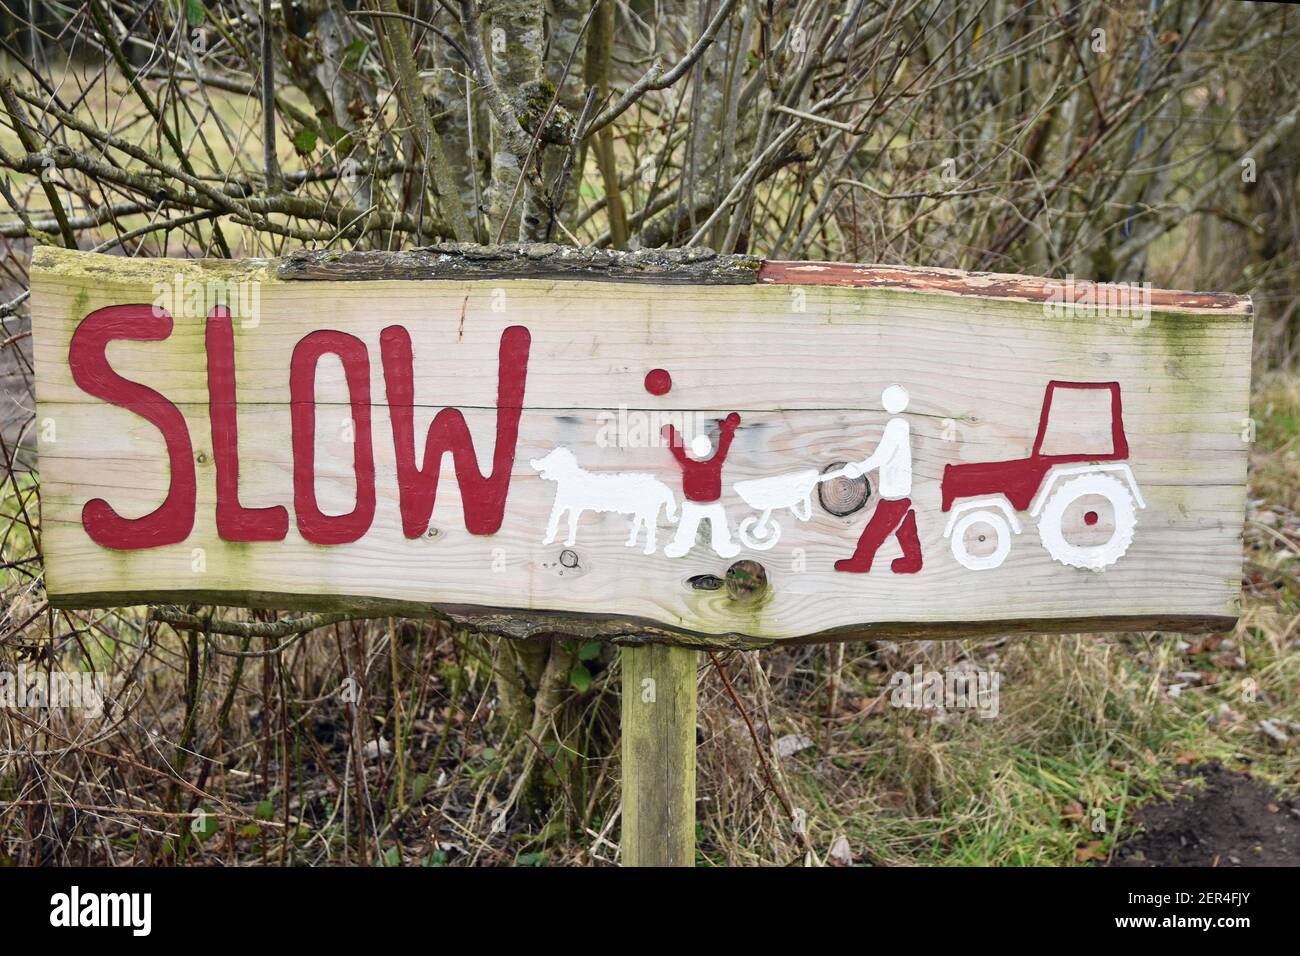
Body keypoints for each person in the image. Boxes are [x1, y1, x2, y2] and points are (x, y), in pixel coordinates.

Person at [835, 385, 923, 574]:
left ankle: (861, 561)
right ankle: (913, 561)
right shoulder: (900, 424)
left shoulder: (896, 425)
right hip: (898, 492)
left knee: (873, 534)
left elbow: (882, 456)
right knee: (905, 530)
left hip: (894, 494)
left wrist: (859, 468)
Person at [662, 413, 742, 559]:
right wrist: (729, 429)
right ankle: (721, 546)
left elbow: (677, 450)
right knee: (710, 525)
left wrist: (670, 435)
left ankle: (684, 546)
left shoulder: (689, 464)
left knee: (688, 526)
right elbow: (724, 445)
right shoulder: (715, 462)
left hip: (699, 504)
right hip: (707, 504)